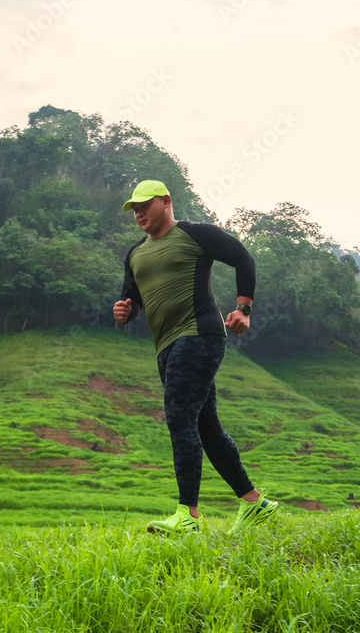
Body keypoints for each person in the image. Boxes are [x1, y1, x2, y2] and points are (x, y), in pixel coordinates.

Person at [113, 179, 278, 535]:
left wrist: (244, 308)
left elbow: (242, 258)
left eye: (145, 205)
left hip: (200, 334)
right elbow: (132, 300)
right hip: (166, 346)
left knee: (179, 416)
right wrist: (125, 311)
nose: (139, 212)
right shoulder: (135, 254)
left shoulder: (194, 234)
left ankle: (187, 515)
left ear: (166, 201)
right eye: (135, 208)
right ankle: (255, 505)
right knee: (206, 427)